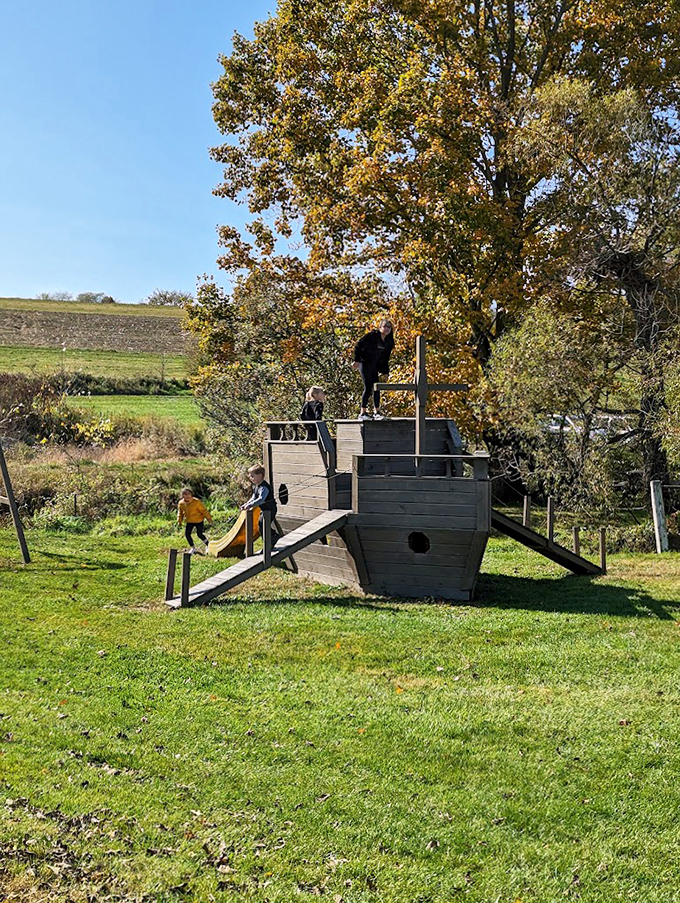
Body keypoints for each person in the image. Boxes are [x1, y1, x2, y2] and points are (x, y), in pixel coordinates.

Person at [353, 320, 394, 421]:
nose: (387, 328)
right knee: (368, 387)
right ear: (380, 327)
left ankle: (377, 412)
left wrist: (385, 372)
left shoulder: (389, 341)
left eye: (389, 327)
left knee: (376, 387)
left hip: (374, 365)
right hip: (364, 363)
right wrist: (356, 360)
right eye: (385, 326)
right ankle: (363, 412)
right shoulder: (372, 336)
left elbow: (385, 358)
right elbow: (358, 345)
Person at [240, 464, 279, 551]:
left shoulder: (264, 487)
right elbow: (254, 498)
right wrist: (246, 504)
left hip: (270, 510)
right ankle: (269, 542)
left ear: (260, 476)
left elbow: (261, 499)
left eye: (252, 476)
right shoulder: (257, 486)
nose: (251, 478)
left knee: (262, 524)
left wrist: (251, 505)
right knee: (261, 526)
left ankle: (273, 537)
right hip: (264, 510)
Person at [177, 487, 212, 554]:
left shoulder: (196, 502)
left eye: (188, 494)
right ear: (182, 495)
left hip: (198, 520)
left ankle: (208, 545)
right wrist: (179, 521)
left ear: (191, 494)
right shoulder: (181, 503)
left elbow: (204, 511)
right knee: (187, 534)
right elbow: (180, 512)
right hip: (189, 521)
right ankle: (193, 548)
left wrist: (209, 518)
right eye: (185, 494)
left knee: (199, 534)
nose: (187, 496)